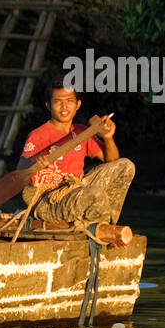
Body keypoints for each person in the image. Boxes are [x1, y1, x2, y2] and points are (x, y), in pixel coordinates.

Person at [16, 74, 135, 225]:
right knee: (94, 194)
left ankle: (107, 224)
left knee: (126, 166)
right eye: (58, 101)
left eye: (69, 101)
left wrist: (108, 137)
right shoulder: (37, 135)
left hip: (77, 189)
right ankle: (102, 228)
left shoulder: (82, 132)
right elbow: (20, 170)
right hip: (49, 201)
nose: (64, 107)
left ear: (78, 105)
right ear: (48, 105)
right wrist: (35, 164)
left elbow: (111, 162)